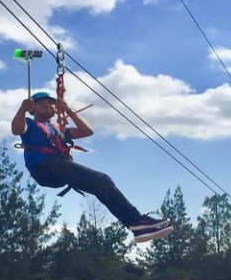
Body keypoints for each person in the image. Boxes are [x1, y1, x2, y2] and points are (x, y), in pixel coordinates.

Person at [11, 91, 174, 243]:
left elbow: (87, 131)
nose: (47, 105)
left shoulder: (57, 130)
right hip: (45, 168)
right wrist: (22, 109)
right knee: (102, 179)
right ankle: (138, 221)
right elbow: (16, 129)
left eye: (50, 103)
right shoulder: (29, 125)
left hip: (57, 169)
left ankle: (137, 226)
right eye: (42, 103)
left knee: (101, 184)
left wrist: (68, 110)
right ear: (33, 108)